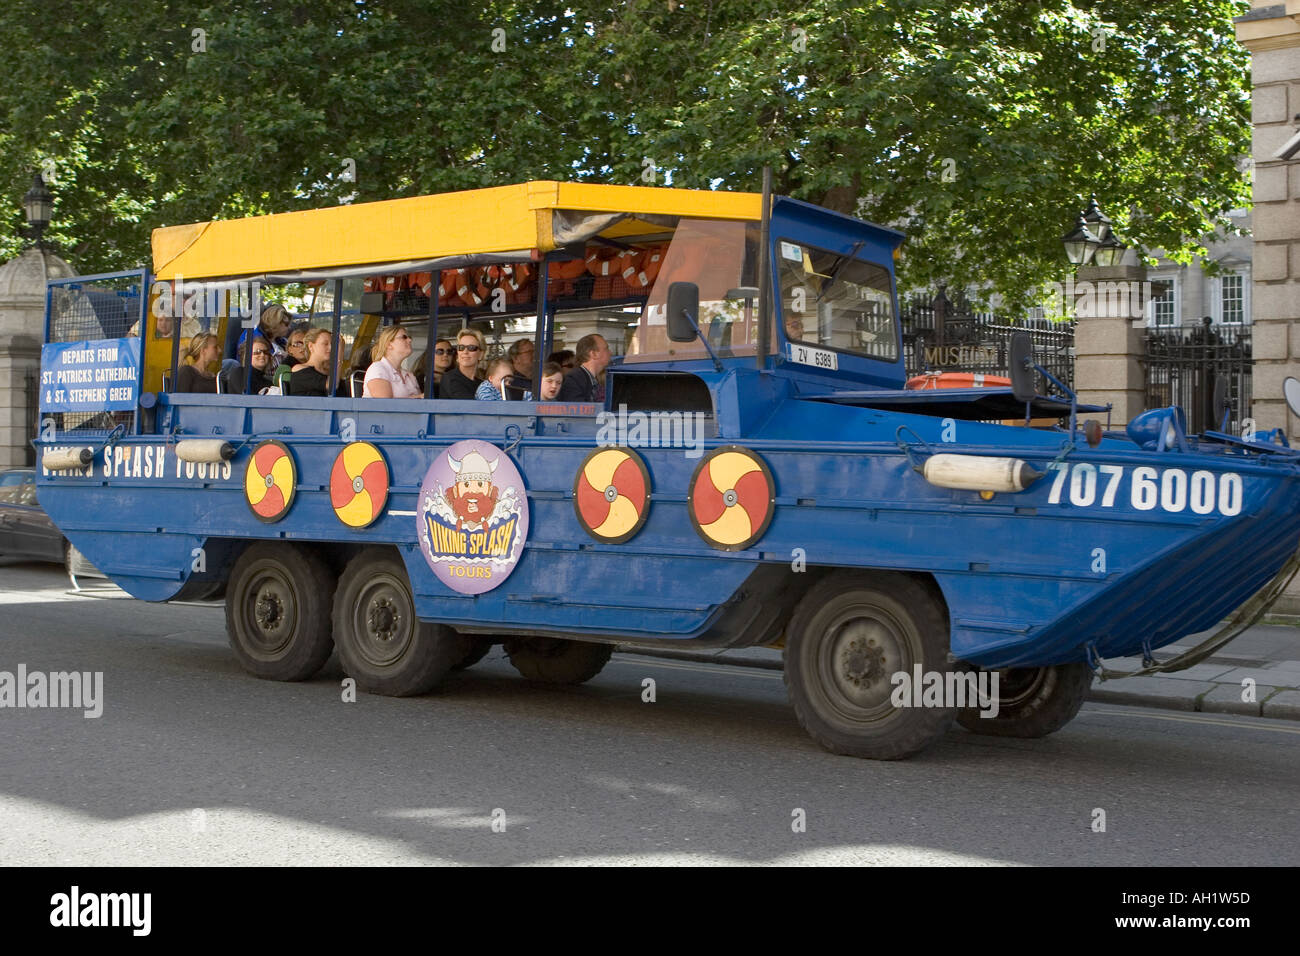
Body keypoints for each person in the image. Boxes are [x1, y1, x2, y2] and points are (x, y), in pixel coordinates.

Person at [363, 325, 421, 398]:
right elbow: (384, 404)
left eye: (409, 337)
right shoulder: (377, 369)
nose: (409, 340)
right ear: (389, 345)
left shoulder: (409, 375)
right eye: (404, 337)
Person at [558, 333, 610, 402]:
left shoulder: (594, 379)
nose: (610, 352)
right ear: (593, 354)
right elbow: (577, 410)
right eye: (606, 349)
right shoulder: (573, 380)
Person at [284, 327, 336, 397]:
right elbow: (331, 385)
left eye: (333, 344)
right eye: (325, 344)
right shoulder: (300, 370)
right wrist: (339, 356)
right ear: (311, 346)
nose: (330, 348)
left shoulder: (328, 372)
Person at [439, 328, 485, 399]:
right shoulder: (450, 378)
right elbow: (469, 406)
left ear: (481, 354)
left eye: (471, 348)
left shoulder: (481, 383)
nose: (465, 352)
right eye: (461, 347)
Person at [274, 324, 309, 390]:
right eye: (298, 344)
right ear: (290, 349)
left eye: (306, 343)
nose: (303, 347)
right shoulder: (285, 367)